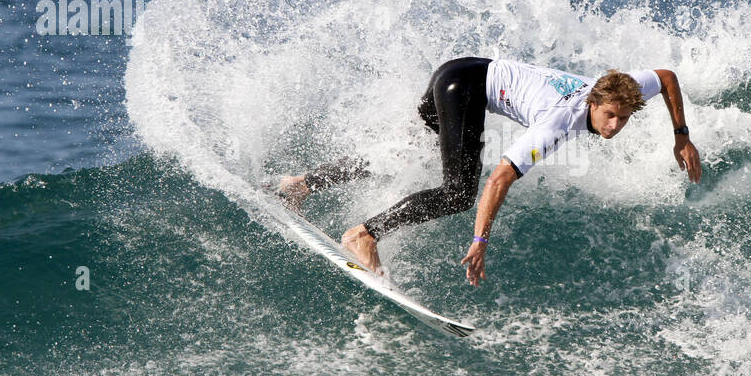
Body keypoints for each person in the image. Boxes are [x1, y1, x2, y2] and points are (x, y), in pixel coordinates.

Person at [278, 56, 701, 285]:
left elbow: (664, 76)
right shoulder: (558, 123)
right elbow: (499, 178)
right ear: (593, 102)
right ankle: (363, 235)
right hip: (464, 87)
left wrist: (681, 134)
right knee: (458, 192)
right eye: (609, 115)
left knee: (406, 154)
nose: (614, 125)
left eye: (623, 119)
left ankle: (301, 184)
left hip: (461, 70)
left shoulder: (618, 89)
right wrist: (480, 241)